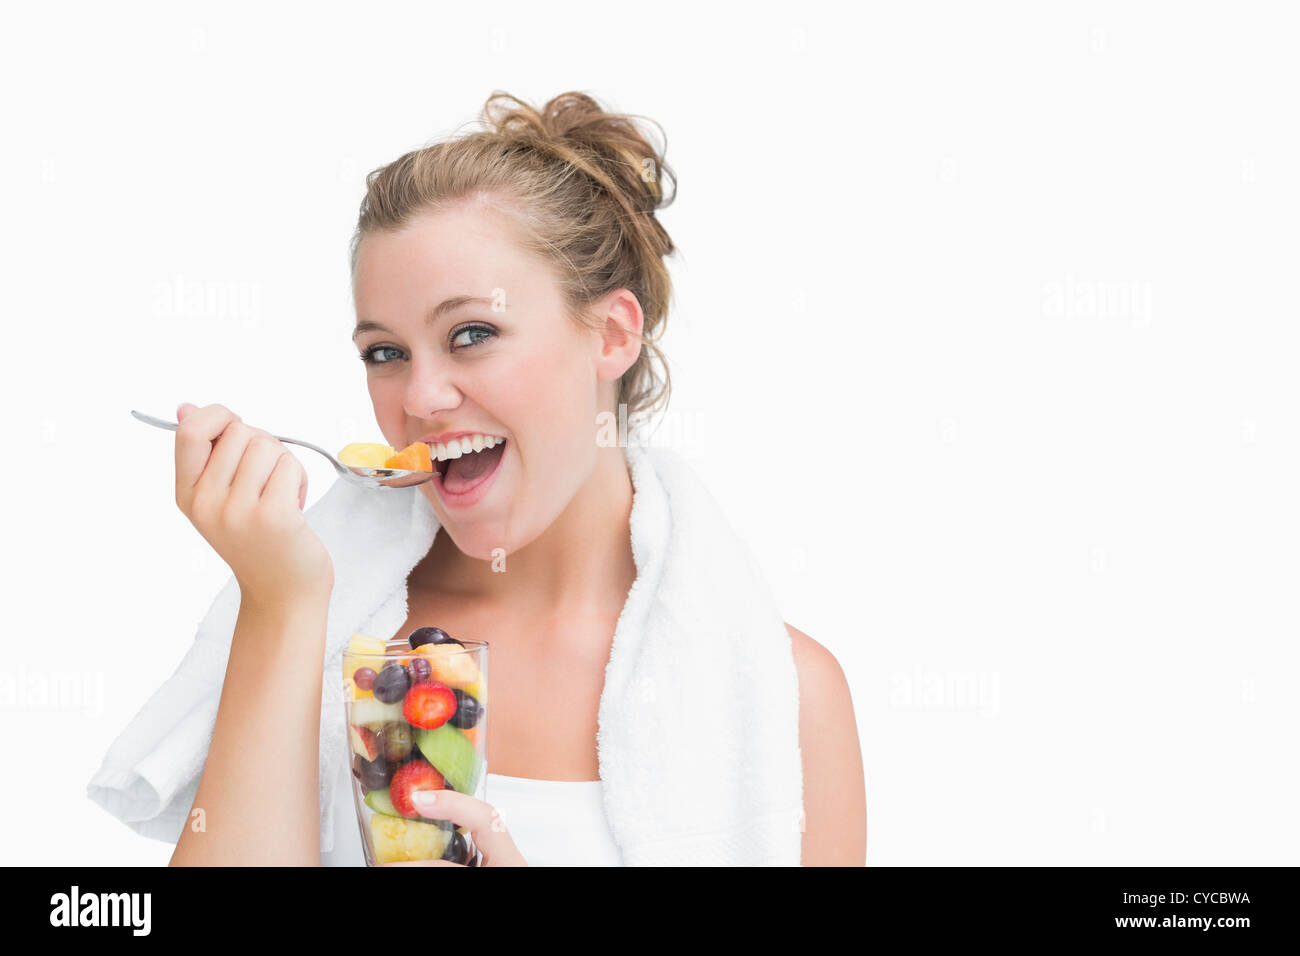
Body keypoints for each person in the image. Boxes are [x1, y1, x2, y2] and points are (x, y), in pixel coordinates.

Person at [166, 90, 865, 866]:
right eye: (385, 352)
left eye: (472, 334)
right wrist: (281, 605)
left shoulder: (783, 699)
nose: (421, 399)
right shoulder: (327, 637)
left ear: (611, 334)